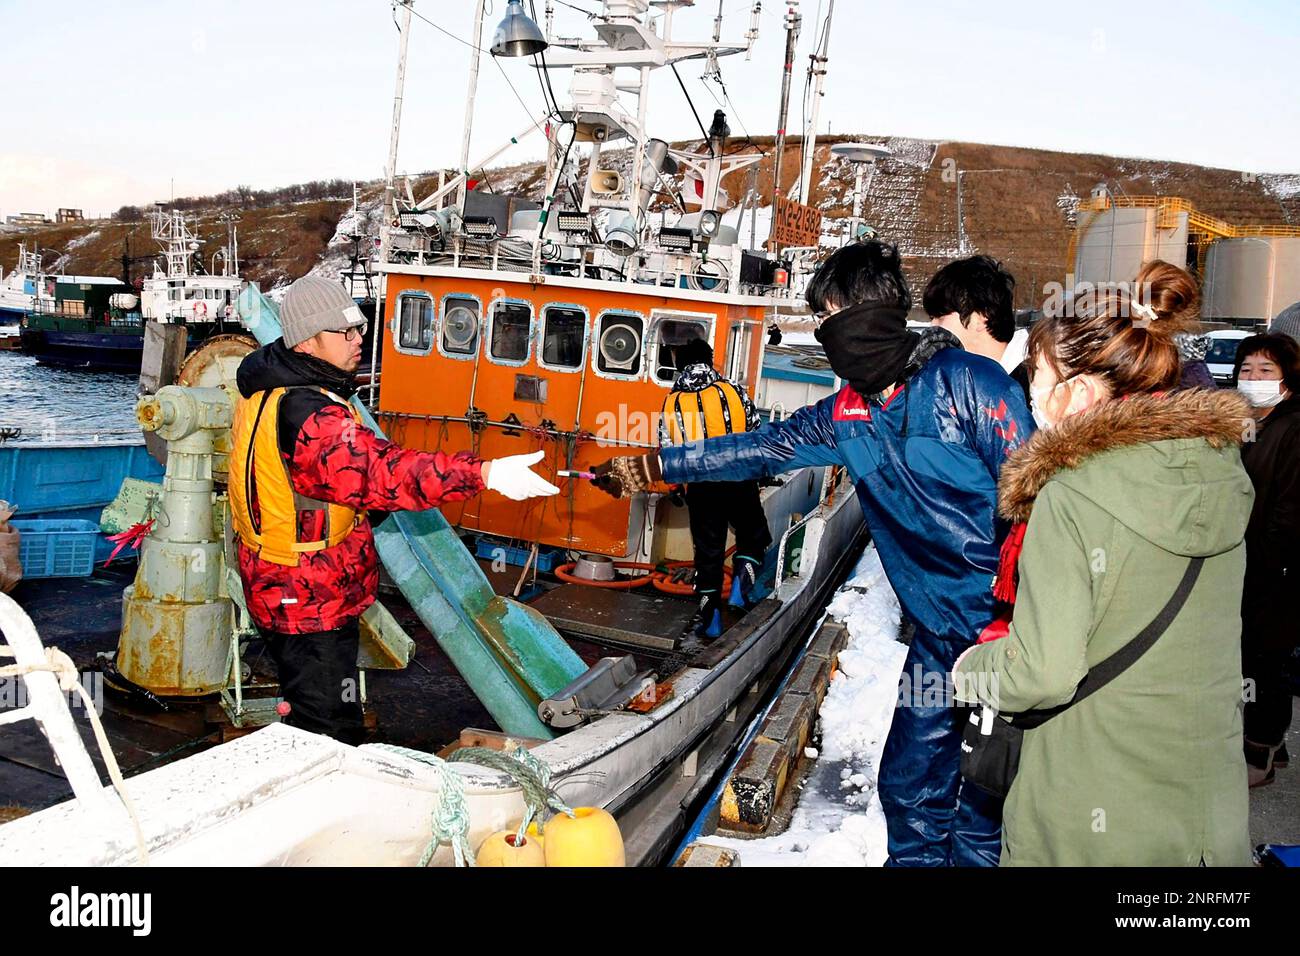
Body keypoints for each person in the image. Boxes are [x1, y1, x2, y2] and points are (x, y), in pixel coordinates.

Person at [594, 240, 1034, 866]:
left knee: (984, 797)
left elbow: (1037, 497)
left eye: (828, 316)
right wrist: (655, 463)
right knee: (908, 786)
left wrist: (1013, 619)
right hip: (938, 639)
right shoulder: (847, 412)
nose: (824, 333)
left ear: (867, 316)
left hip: (1003, 633)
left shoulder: (969, 384)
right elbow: (759, 447)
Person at [953, 268, 1255, 866]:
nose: (1029, 395)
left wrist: (973, 669)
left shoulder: (1071, 495)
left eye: (1037, 379)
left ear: (1082, 393)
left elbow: (1042, 673)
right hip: (1204, 806)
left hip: (1091, 802)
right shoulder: (1223, 475)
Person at [228, 276, 558, 743]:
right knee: (326, 723)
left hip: (301, 586)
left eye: (358, 328)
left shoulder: (275, 385)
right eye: (344, 332)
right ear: (307, 341)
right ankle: (326, 789)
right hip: (305, 598)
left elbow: (316, 485)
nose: (358, 339)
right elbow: (380, 472)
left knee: (321, 698)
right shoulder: (307, 413)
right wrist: (484, 474)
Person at [659, 336, 770, 638]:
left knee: (708, 555)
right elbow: (754, 429)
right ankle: (738, 592)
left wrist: (675, 486)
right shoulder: (732, 390)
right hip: (738, 477)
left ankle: (711, 622)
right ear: (709, 361)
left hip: (701, 486)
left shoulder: (671, 402)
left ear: (680, 365)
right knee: (754, 536)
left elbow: (669, 450)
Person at [1233, 333, 1300, 785]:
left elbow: (1290, 510)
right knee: (1255, 661)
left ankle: (1261, 755)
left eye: (1266, 371)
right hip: (1249, 562)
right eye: (1246, 370)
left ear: (1288, 380)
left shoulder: (1292, 427)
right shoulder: (1249, 422)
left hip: (1274, 569)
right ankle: (1272, 748)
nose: (1254, 378)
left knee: (1264, 661)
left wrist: (1272, 567)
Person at [923, 254, 1030, 402]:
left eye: (940, 317)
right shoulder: (973, 380)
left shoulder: (1036, 384)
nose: (933, 326)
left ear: (980, 316)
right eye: (931, 318)